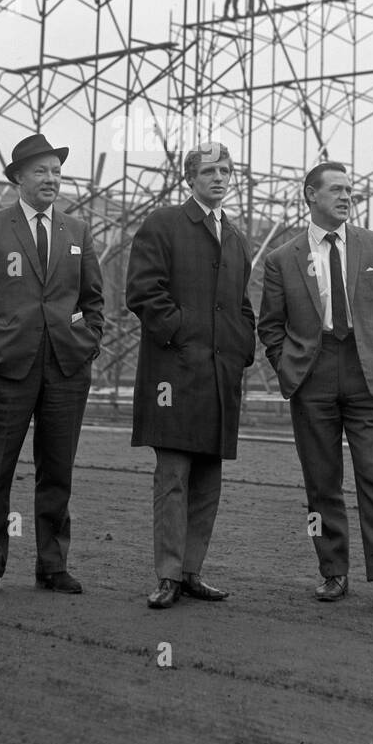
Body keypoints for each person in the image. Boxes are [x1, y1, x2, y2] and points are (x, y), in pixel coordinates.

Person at [0, 133, 104, 598]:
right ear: (19, 178)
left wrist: (87, 342)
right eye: (41, 171)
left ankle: (52, 565)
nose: (51, 179)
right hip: (8, 368)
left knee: (57, 471)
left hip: (65, 369)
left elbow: (94, 300)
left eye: (57, 172)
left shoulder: (76, 232)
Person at [257, 162, 373, 613]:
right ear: (310, 195)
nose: (346, 196)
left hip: (368, 375)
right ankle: (332, 573)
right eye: (337, 190)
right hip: (313, 375)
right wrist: (289, 370)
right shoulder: (282, 259)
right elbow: (270, 326)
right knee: (320, 482)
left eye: (350, 189)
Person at [126, 142, 256, 608]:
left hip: (220, 376)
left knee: (208, 479)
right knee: (174, 477)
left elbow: (242, 305)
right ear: (190, 178)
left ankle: (191, 571)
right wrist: (183, 335)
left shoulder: (237, 239)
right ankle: (167, 575)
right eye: (209, 171)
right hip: (174, 376)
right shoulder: (164, 225)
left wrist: (241, 349)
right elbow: (143, 292)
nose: (219, 178)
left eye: (226, 170)